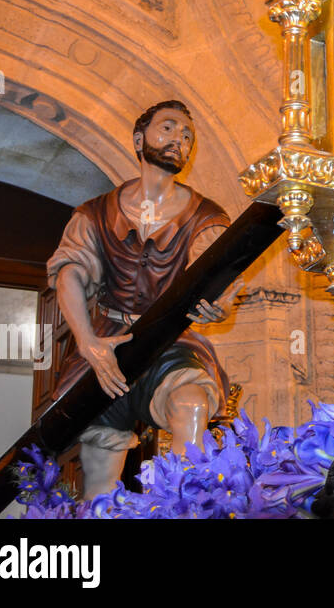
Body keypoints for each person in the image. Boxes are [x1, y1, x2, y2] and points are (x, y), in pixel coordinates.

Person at [48, 100, 237, 498]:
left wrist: (218, 306)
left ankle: (184, 505)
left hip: (170, 340)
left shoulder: (206, 218)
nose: (178, 140)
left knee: (191, 403)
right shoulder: (95, 213)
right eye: (168, 128)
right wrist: (88, 345)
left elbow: (221, 278)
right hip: (105, 341)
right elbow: (70, 273)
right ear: (139, 138)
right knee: (99, 474)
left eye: (187, 136)